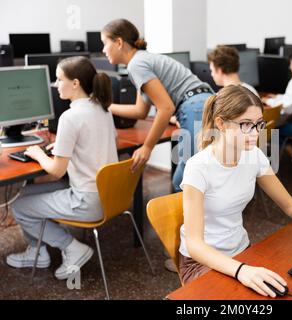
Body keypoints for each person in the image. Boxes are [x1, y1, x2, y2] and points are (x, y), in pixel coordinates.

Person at [179, 85, 292, 297]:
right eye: (245, 125)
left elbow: (289, 204)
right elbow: (194, 245)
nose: (255, 133)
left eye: (259, 124)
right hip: (202, 261)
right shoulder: (198, 167)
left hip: (242, 250)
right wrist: (241, 270)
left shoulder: (254, 155)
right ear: (221, 124)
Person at [6, 57, 118, 279]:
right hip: (108, 195)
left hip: (86, 201)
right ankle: (37, 252)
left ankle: (71, 247)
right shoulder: (103, 109)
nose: (56, 85)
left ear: (75, 83)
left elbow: (56, 171)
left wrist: (38, 153)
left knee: (19, 207)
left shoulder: (70, 116)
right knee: (24, 194)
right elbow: (101, 139)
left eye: (59, 79)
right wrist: (66, 145)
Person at [101, 19, 214, 191]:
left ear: (118, 42)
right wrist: (106, 105)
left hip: (195, 109)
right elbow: (140, 111)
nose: (103, 50)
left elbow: (166, 108)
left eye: (104, 43)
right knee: (196, 179)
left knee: (187, 182)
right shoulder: (142, 60)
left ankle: (198, 218)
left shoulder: (136, 65)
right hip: (205, 104)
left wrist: (147, 147)